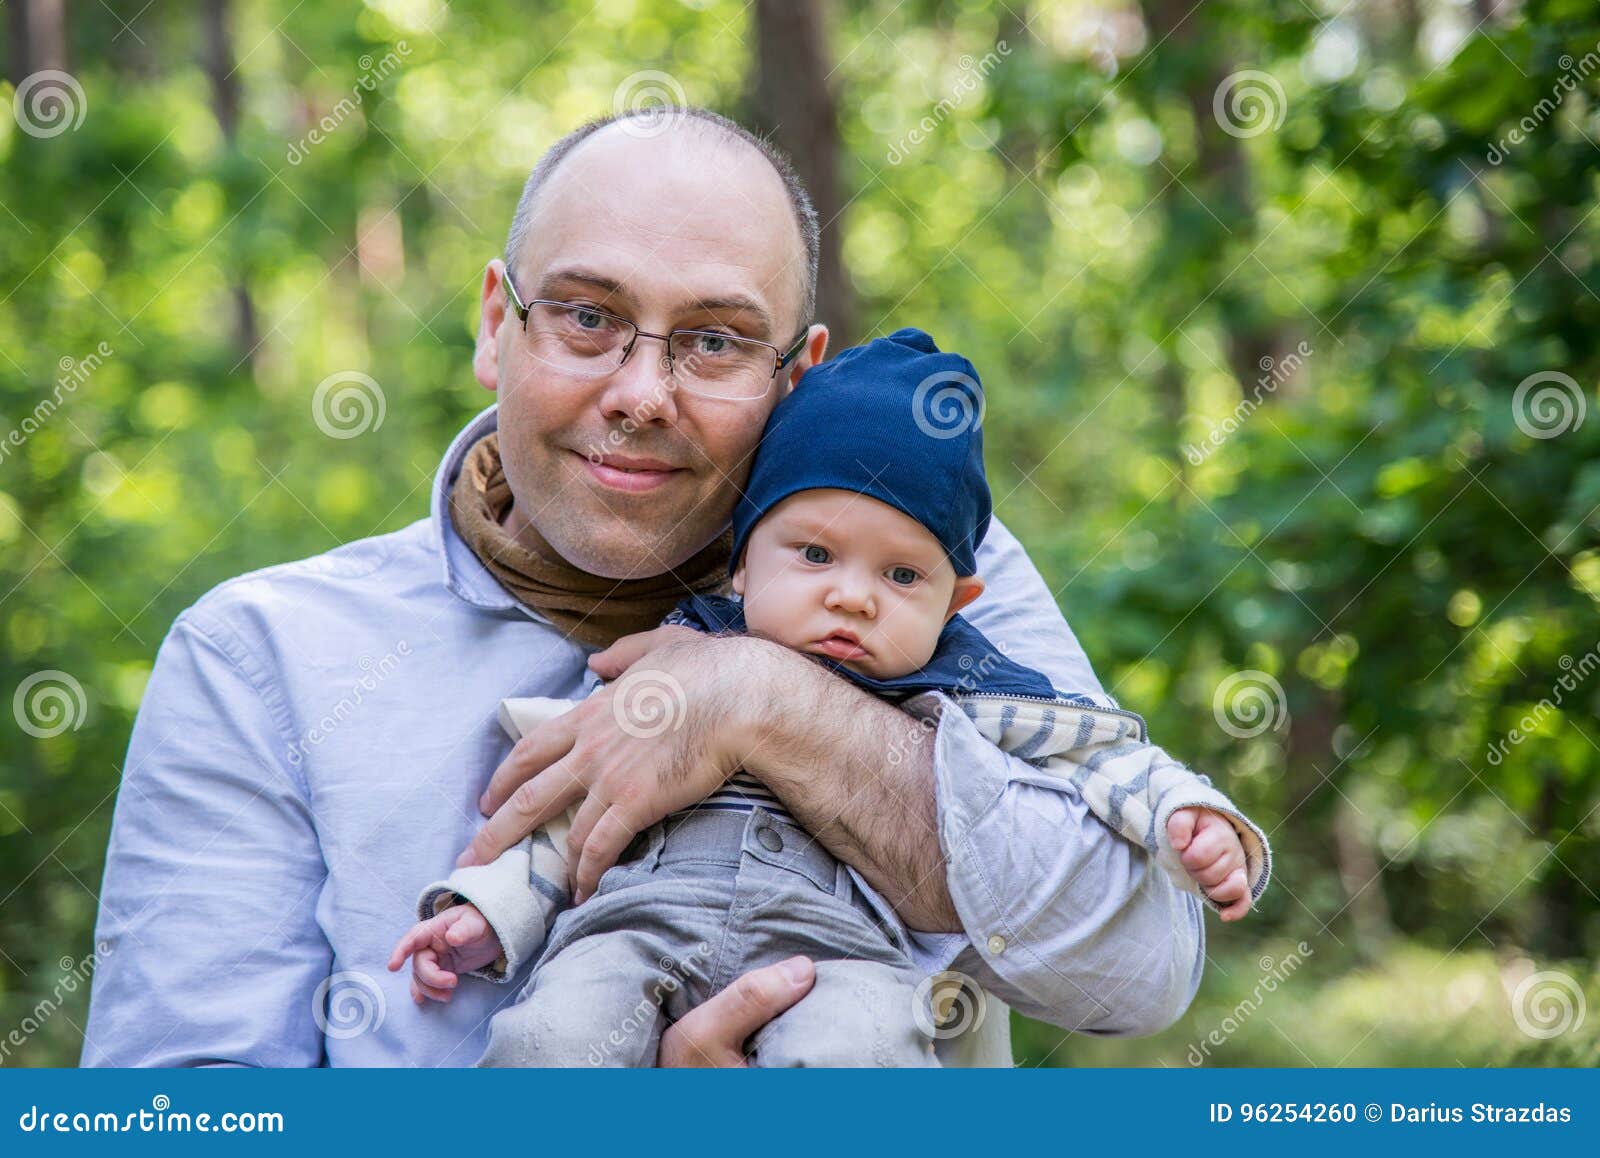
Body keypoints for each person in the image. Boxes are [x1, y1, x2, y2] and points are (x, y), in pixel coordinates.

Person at [83, 107, 1207, 1069]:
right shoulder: (262, 658)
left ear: (795, 379)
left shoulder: (913, 577)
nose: (639, 392)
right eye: (585, 316)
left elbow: (1136, 969)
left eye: (714, 341)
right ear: (494, 322)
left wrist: (765, 702)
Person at [389, 329, 1269, 1066]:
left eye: (900, 574)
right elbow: (575, 803)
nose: (853, 594)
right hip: (635, 931)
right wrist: (489, 914)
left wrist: (1184, 813)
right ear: (740, 561)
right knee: (548, 1037)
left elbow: (1095, 751)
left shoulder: (957, 684)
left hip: (839, 957)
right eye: (813, 556)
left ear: (957, 599)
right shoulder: (671, 656)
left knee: (861, 1051)